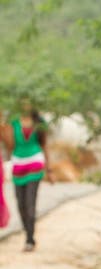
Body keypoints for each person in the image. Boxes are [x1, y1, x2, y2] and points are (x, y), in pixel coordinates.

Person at [0, 99, 52, 251]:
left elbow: (44, 145)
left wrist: (49, 169)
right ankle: (27, 233)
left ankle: (30, 239)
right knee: (20, 204)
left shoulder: (39, 123)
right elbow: (9, 145)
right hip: (18, 166)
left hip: (35, 165)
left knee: (30, 204)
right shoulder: (13, 123)